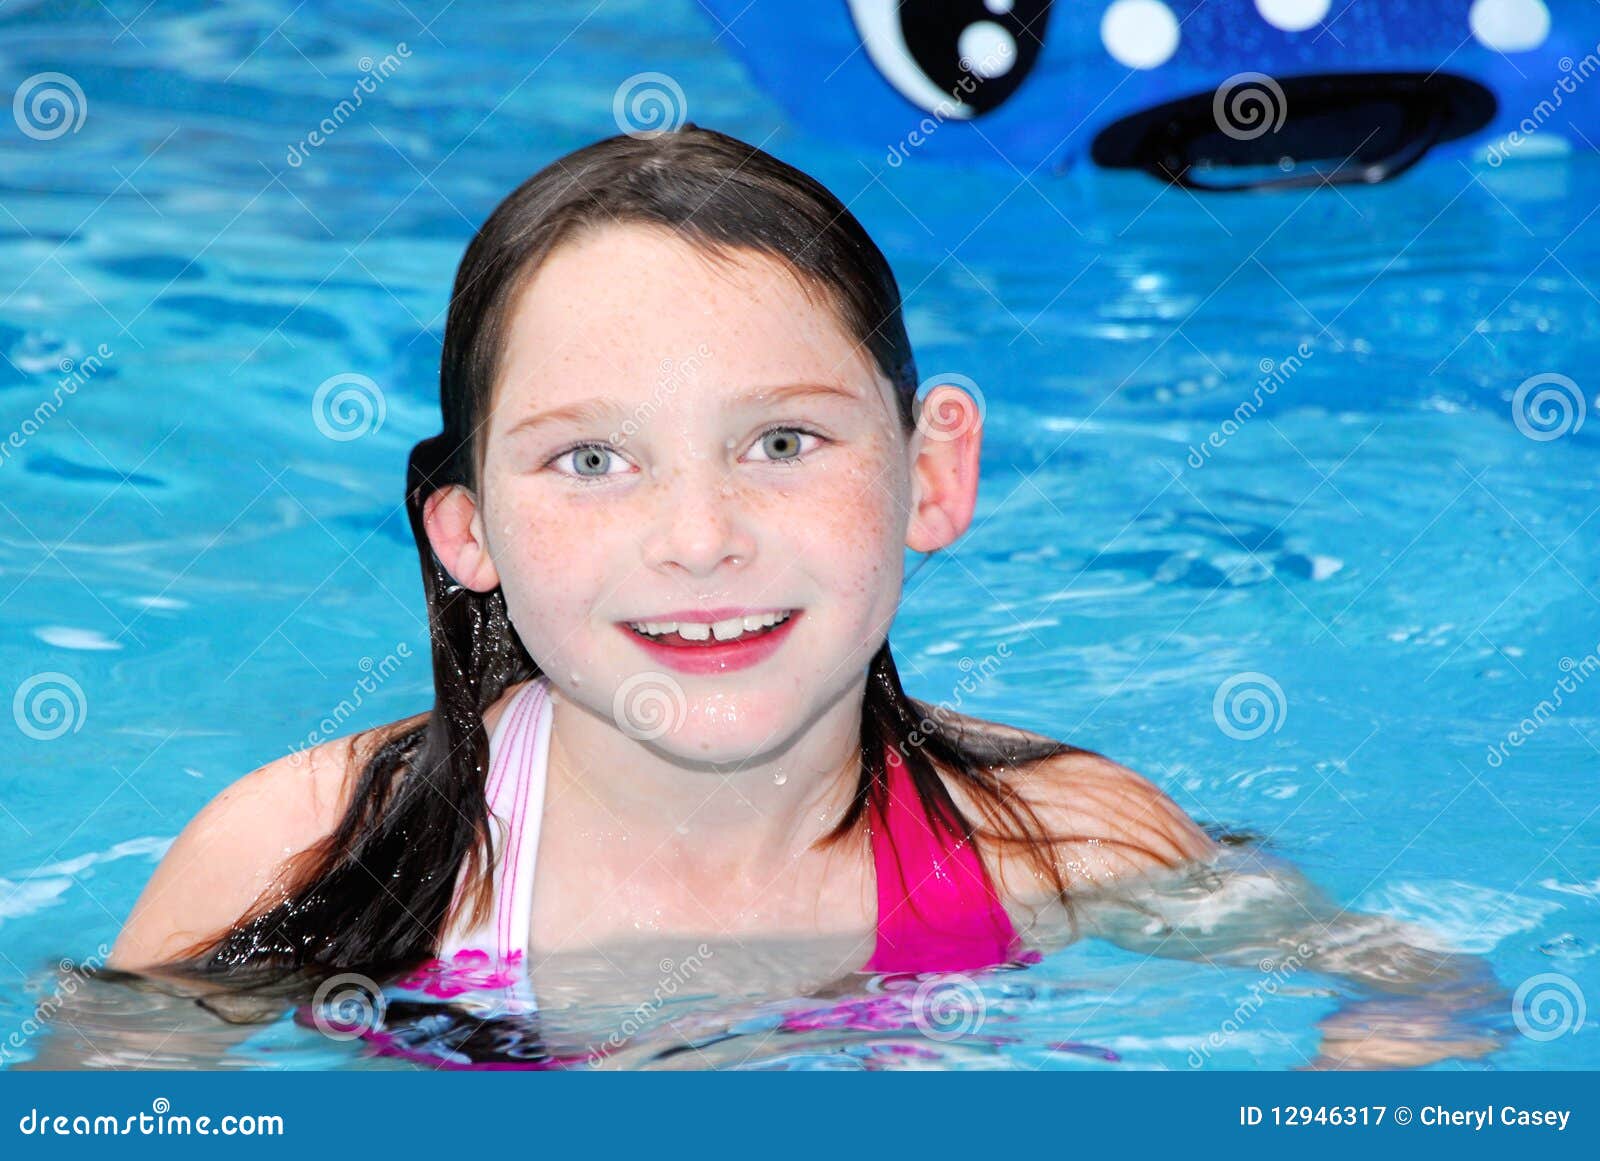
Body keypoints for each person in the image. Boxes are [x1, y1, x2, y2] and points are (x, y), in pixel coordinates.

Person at [106, 125, 1503, 1070]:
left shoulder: (1055, 844)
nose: (700, 538)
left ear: (929, 477)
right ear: (468, 528)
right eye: (592, 459)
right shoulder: (309, 858)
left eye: (782, 443)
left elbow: (1418, 983)